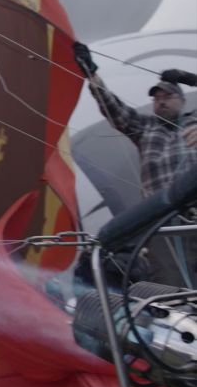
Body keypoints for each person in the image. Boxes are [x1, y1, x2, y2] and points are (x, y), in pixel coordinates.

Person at [74, 42, 197, 287]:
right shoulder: (145, 127)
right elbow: (114, 108)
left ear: (182, 101)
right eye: (156, 98)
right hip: (161, 219)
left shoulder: (194, 122)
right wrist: (92, 73)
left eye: (168, 96)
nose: (160, 101)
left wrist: (189, 78)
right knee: (171, 284)